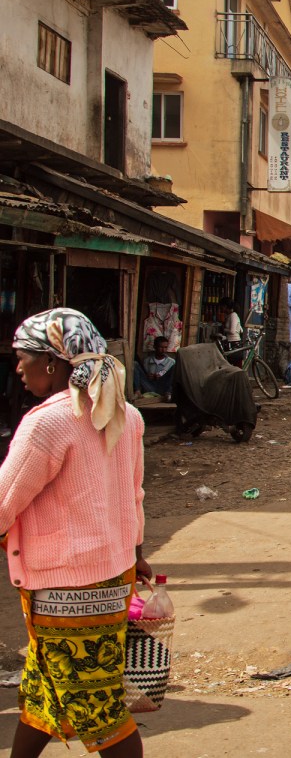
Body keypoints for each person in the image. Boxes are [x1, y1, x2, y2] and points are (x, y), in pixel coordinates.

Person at [0, 308, 152, 758]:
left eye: (22, 356)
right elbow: (134, 494)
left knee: (98, 711)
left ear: (52, 363)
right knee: (45, 694)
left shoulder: (46, 424)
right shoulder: (127, 415)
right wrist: (137, 552)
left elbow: (5, 500)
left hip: (64, 590)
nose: (17, 368)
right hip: (113, 578)